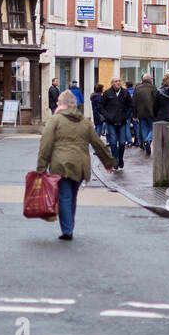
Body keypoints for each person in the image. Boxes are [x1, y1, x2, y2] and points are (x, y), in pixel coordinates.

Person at [35, 90, 116, 240]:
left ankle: (67, 230)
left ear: (61, 104)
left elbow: (45, 144)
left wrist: (41, 168)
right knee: (72, 196)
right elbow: (98, 143)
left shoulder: (55, 120)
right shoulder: (85, 122)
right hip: (80, 165)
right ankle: (69, 225)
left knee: (65, 196)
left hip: (61, 164)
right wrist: (109, 162)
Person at [99, 77, 133, 170]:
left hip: (122, 121)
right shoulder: (107, 93)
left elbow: (130, 106)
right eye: (116, 81)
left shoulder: (125, 93)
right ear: (112, 83)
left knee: (122, 142)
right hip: (111, 121)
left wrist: (126, 116)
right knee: (113, 142)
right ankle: (115, 160)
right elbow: (101, 107)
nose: (118, 83)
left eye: (119, 81)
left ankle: (120, 158)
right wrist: (107, 116)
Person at [132, 73, 157, 155]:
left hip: (141, 113)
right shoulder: (153, 88)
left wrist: (134, 114)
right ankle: (148, 140)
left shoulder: (137, 88)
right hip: (152, 112)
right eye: (151, 79)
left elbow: (134, 102)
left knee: (144, 129)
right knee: (153, 128)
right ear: (149, 80)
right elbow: (156, 101)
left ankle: (146, 142)